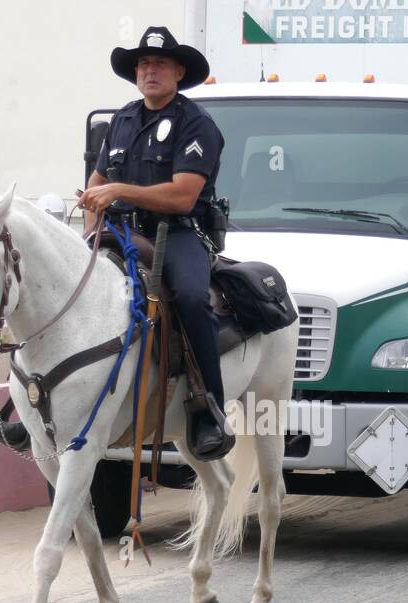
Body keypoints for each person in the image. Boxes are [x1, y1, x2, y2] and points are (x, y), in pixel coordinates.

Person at [78, 26, 233, 459]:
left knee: (189, 298)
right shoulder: (122, 121)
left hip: (179, 232)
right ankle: (34, 403)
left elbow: (183, 196)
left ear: (178, 71)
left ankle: (208, 413)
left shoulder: (197, 124)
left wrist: (120, 191)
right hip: (123, 232)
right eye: (144, 64)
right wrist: (91, 231)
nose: (150, 71)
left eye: (160, 64)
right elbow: (96, 184)